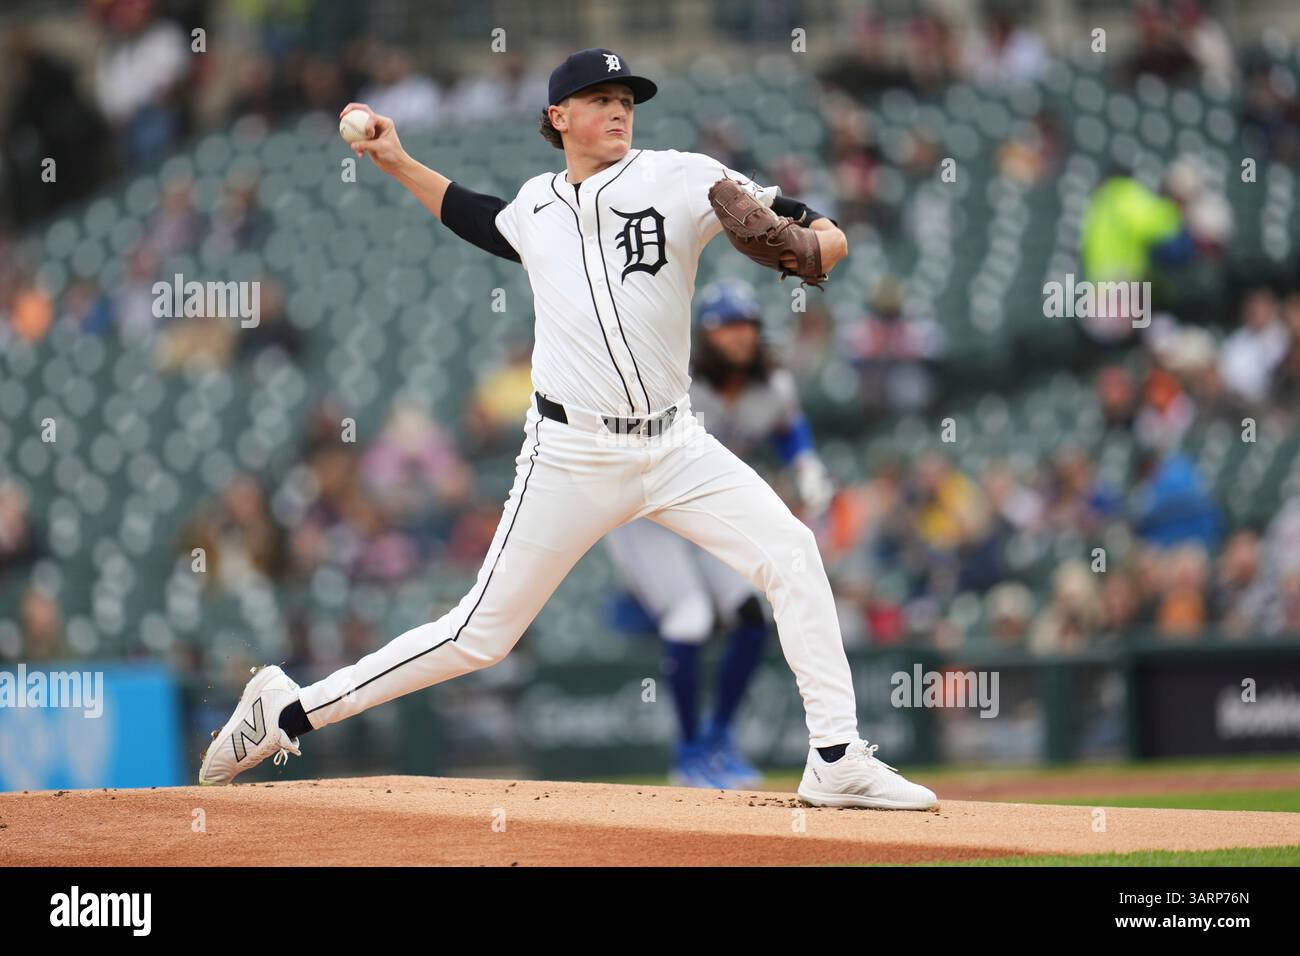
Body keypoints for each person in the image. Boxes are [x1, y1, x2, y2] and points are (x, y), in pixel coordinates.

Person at [199, 48, 937, 811]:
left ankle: (838, 756)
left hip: (676, 444)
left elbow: (815, 229)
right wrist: (396, 160)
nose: (620, 109)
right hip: (571, 451)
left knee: (791, 551)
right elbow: (478, 217)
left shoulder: (683, 175)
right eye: (600, 97)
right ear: (558, 116)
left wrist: (820, 247)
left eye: (627, 97)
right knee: (477, 637)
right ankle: (285, 711)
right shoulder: (535, 205)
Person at [603, 279, 835, 789]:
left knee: (751, 615)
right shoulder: (676, 378)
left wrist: (808, 466)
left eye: (745, 325)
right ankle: (688, 753)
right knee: (690, 616)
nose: (737, 337)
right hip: (646, 515)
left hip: (703, 512)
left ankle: (717, 738)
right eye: (725, 327)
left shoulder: (770, 384)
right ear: (705, 334)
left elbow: (790, 430)